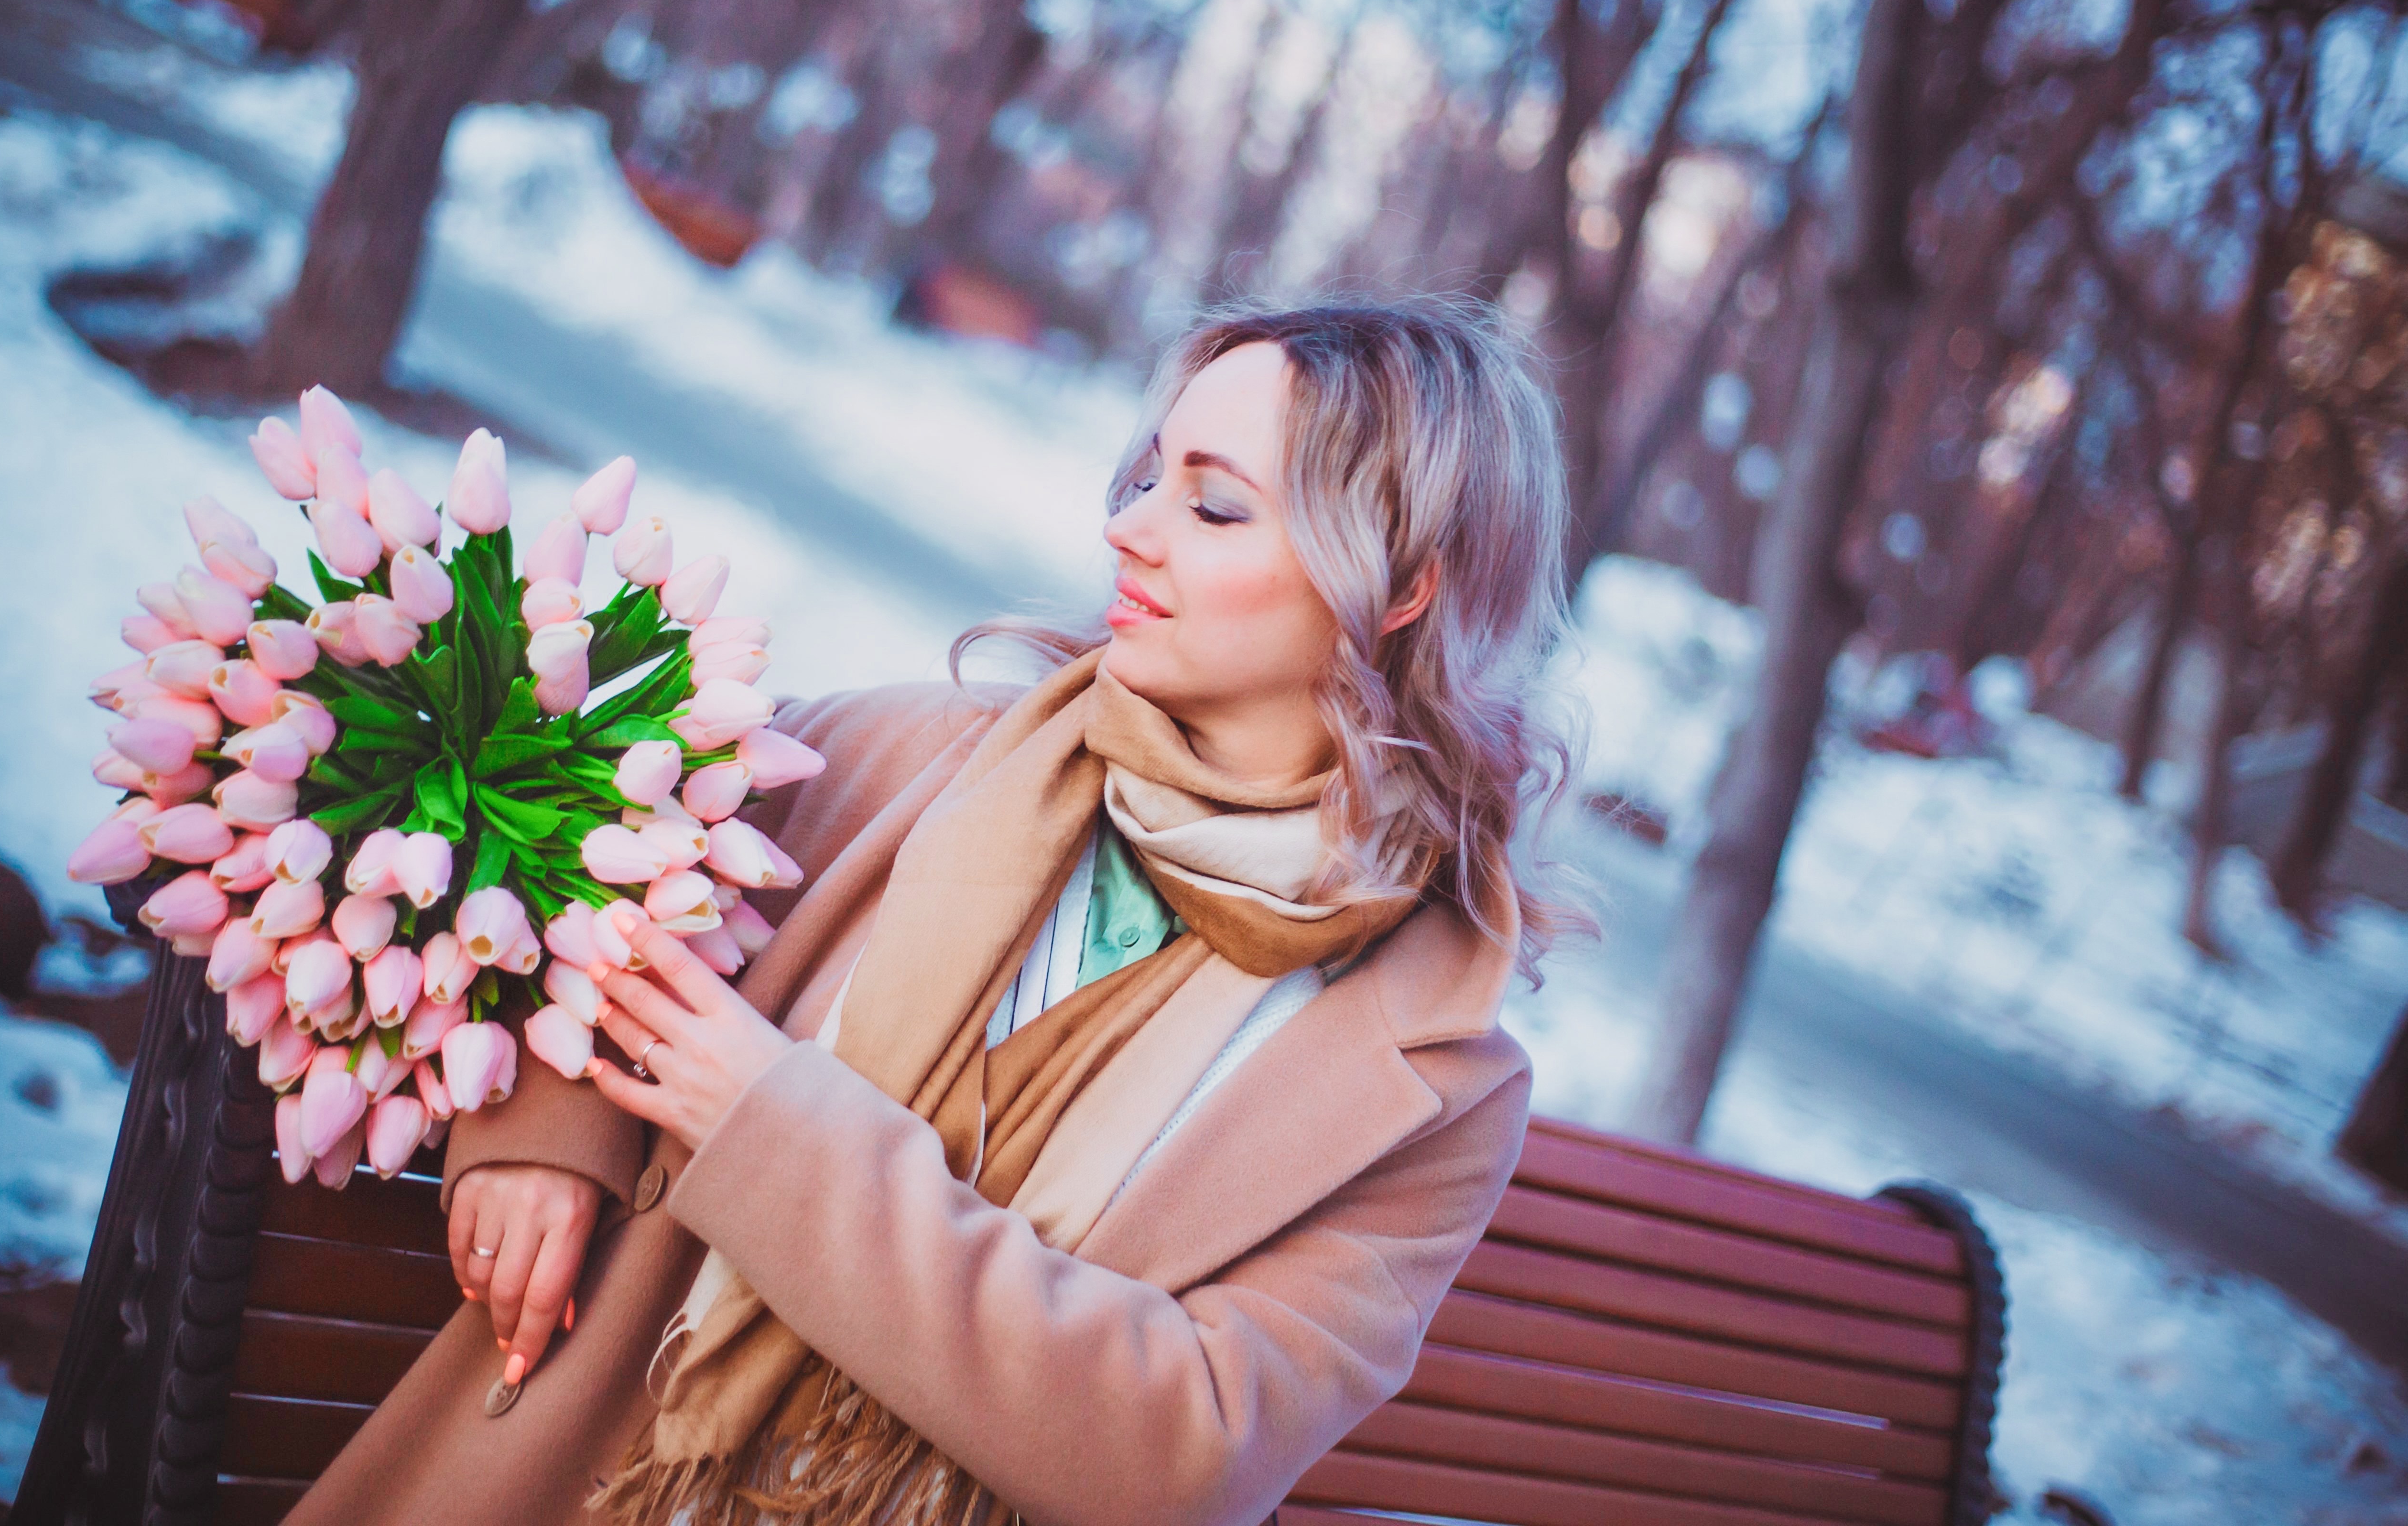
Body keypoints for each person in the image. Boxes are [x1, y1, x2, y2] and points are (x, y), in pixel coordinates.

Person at [286, 300, 1585, 1526]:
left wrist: (773, 1137)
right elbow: (569, 824)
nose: (1131, 530)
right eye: (1148, 480)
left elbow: (1182, 1455)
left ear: (1403, 582)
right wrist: (542, 1124)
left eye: (1215, 507)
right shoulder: (915, 762)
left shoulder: (1433, 1085)